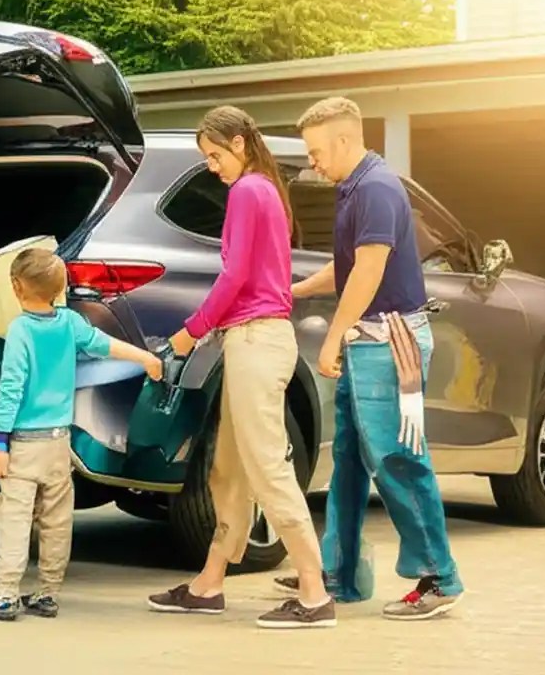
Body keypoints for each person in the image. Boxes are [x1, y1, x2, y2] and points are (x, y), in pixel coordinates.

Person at [146, 106, 336, 630]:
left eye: (214, 155)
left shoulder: (249, 191)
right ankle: (209, 583)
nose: (211, 166)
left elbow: (236, 276)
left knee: (267, 468)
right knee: (228, 470)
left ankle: (315, 592)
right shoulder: (263, 190)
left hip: (256, 341)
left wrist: (193, 328)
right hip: (252, 341)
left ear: (238, 144)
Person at [280, 96, 464, 620]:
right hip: (370, 343)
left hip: (390, 344)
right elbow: (347, 269)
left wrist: (333, 337)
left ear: (343, 140)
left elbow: (369, 273)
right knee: (351, 465)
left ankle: (440, 578)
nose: (311, 161)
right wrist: (293, 290)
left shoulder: (377, 189)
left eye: (316, 151)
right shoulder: (354, 187)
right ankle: (340, 574)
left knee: (398, 460)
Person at [0, 249, 164, 621]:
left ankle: (7, 594)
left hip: (24, 444)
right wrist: (145, 357)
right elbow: (105, 344)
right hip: (60, 443)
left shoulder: (20, 331)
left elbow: (11, 388)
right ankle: (47, 592)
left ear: (15, 287)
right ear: (61, 289)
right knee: (57, 519)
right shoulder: (70, 324)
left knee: (15, 517)